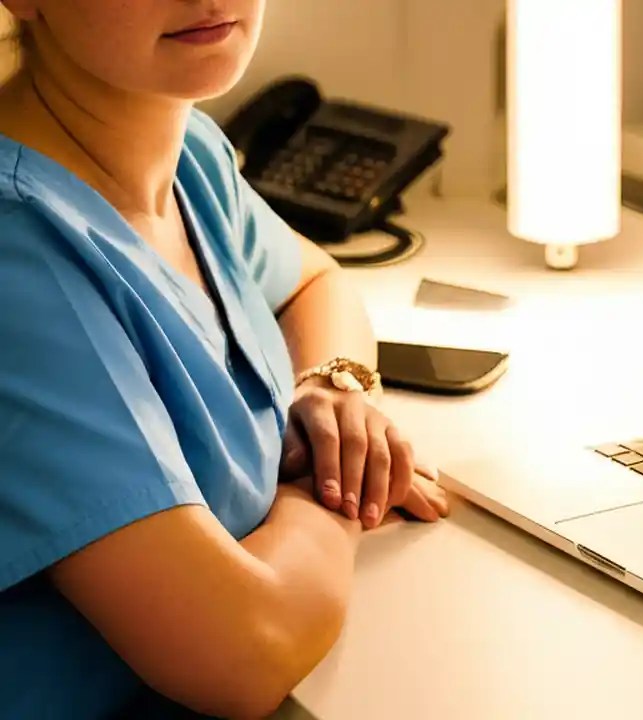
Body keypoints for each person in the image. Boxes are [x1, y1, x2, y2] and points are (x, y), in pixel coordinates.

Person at [0, 1, 450, 717]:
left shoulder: (190, 155)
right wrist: (334, 492)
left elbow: (315, 279)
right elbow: (245, 651)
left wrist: (334, 388)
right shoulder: (18, 253)